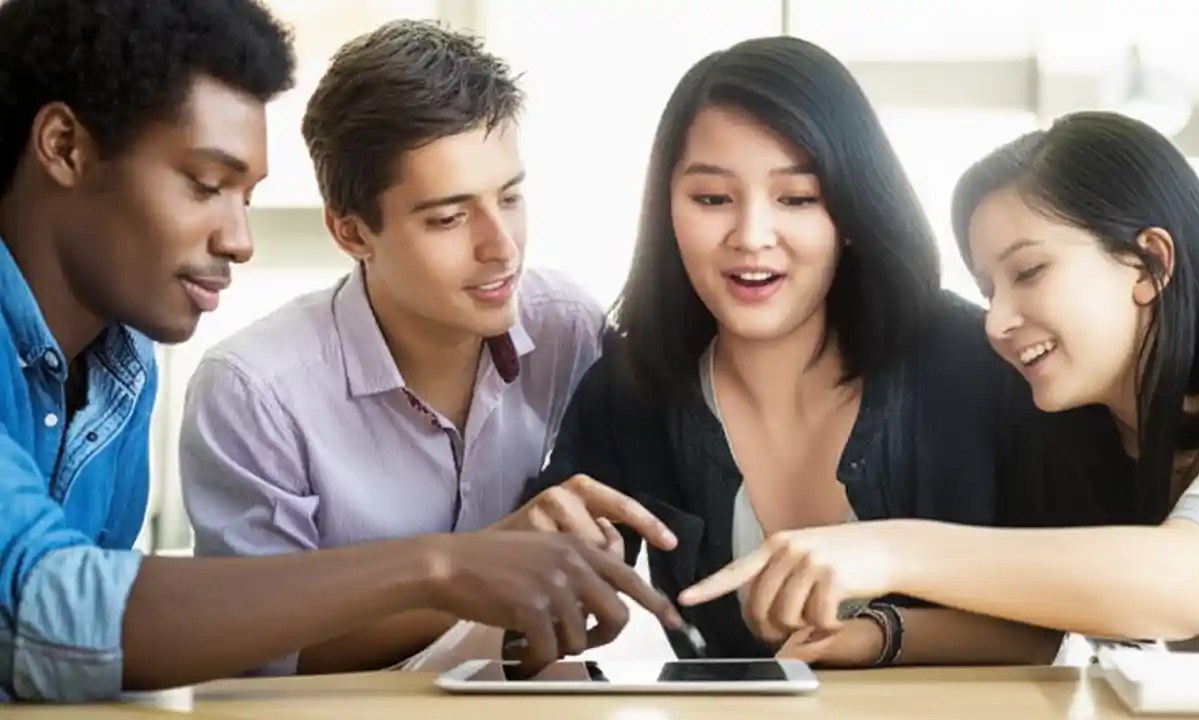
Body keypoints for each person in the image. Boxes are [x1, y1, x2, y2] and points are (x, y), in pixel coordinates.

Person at [0, 0, 678, 702]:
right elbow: (56, 612)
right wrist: (449, 567)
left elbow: (79, 665)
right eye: (206, 186)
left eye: (247, 196)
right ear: (64, 146)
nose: (241, 241)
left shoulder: (120, 361)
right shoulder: (251, 382)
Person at [514, 36, 1104, 667]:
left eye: (797, 198)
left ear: (850, 211)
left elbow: (1056, 618)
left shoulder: (975, 359)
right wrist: (536, 575)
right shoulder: (631, 387)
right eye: (712, 199)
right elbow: (527, 631)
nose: (751, 236)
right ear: (668, 209)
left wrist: (878, 636)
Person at [682, 111, 1199, 655]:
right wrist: (877, 635)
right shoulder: (1084, 431)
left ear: (1149, 263)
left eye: (1029, 271)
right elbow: (1060, 635)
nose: (995, 322)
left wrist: (889, 551)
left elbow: (1193, 582)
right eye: (989, 290)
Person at [177, 19, 657, 676]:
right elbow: (261, 654)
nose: (502, 246)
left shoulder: (568, 329)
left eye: (510, 197)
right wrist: (479, 570)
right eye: (449, 217)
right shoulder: (254, 391)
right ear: (351, 232)